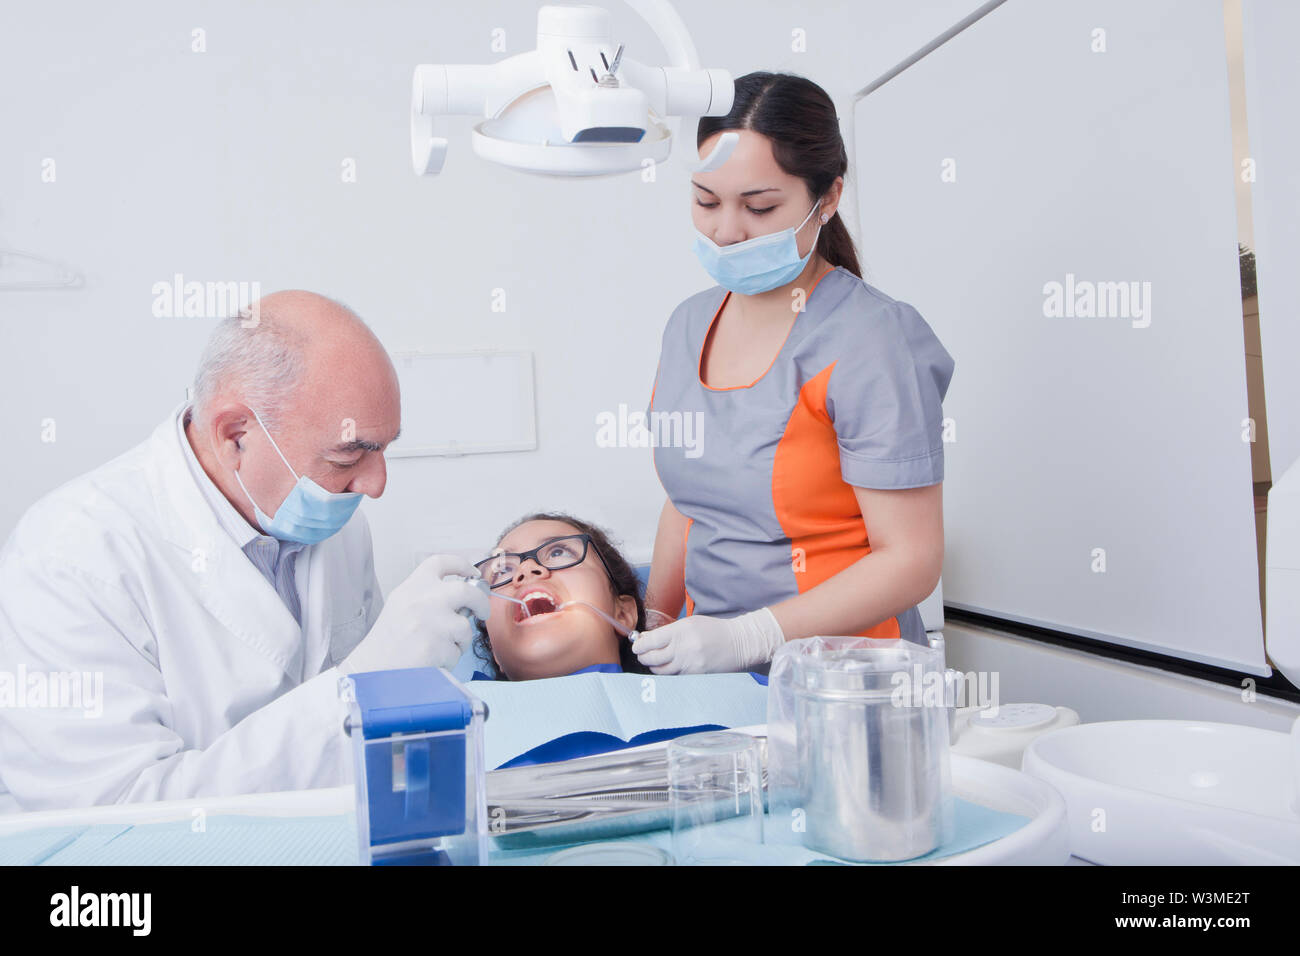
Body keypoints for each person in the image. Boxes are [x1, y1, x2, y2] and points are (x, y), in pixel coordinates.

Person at [0, 291, 488, 811]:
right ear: (235, 434)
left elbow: (360, 750)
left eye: (384, 448)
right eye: (350, 453)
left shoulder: (340, 526)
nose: (375, 484)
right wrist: (361, 682)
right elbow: (117, 818)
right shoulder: (70, 558)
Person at [636, 72, 955, 675]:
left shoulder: (873, 339)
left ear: (828, 198)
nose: (726, 231)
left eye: (759, 207)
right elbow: (685, 506)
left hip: (849, 684)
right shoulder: (686, 326)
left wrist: (751, 637)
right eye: (706, 201)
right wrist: (655, 623)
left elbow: (910, 560)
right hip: (714, 682)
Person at [470, 513, 649, 681]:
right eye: (502, 570)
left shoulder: (669, 703)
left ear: (623, 614)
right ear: (494, 649)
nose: (527, 569)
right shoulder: (453, 709)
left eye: (558, 552)